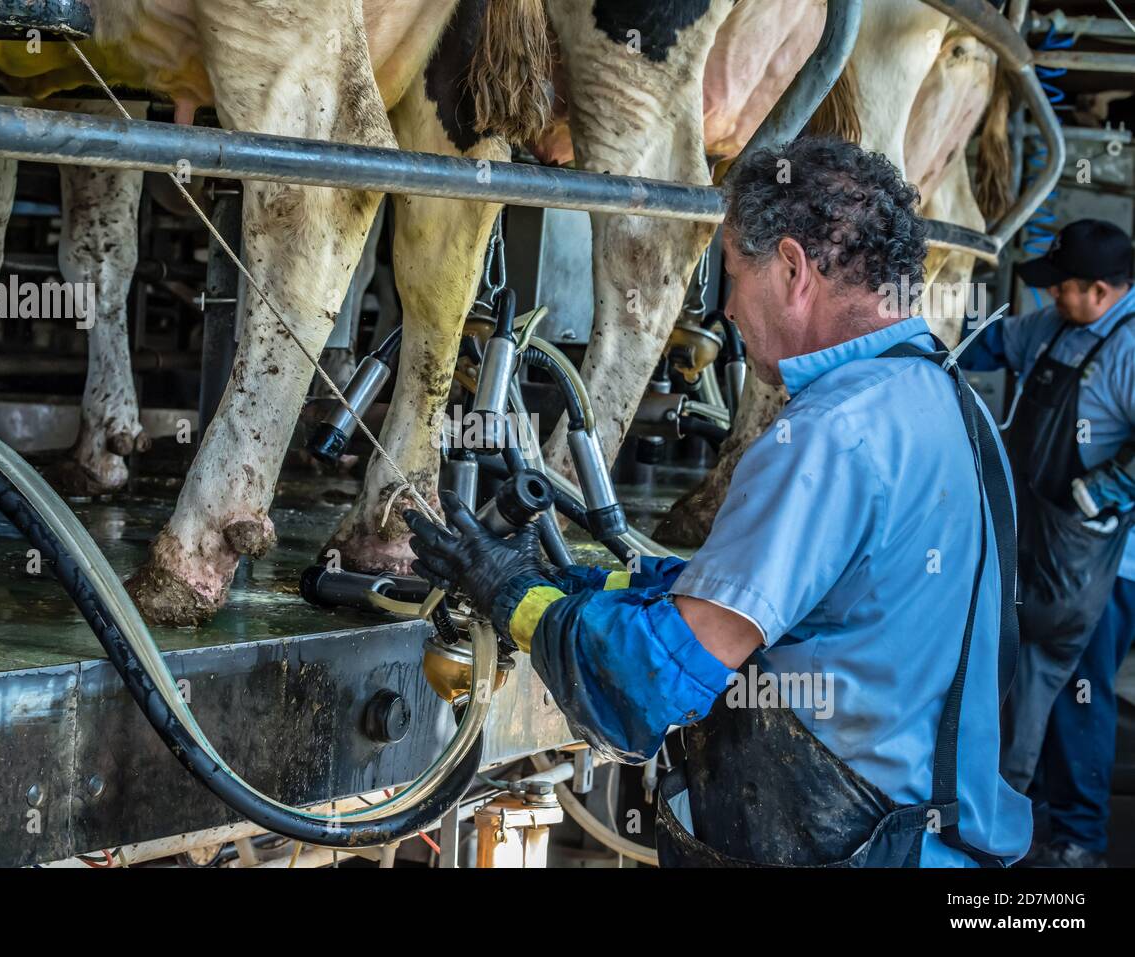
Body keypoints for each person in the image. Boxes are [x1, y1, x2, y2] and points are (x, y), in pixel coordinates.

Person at [407, 137, 1030, 868]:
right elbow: (809, 612)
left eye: (732, 273)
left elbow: (651, 680)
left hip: (855, 852)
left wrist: (511, 593)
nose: (727, 307)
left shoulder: (829, 435)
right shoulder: (953, 403)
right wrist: (582, 583)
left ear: (794, 269)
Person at [961, 218, 1135, 867]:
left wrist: (1101, 491)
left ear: (1099, 289)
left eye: (1060, 286)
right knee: (1022, 676)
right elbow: (991, 344)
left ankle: (1080, 836)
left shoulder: (1129, 346)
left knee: (1077, 690)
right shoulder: (1057, 324)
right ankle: (1020, 816)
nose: (1048, 296)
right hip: (1040, 541)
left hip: (1105, 558)